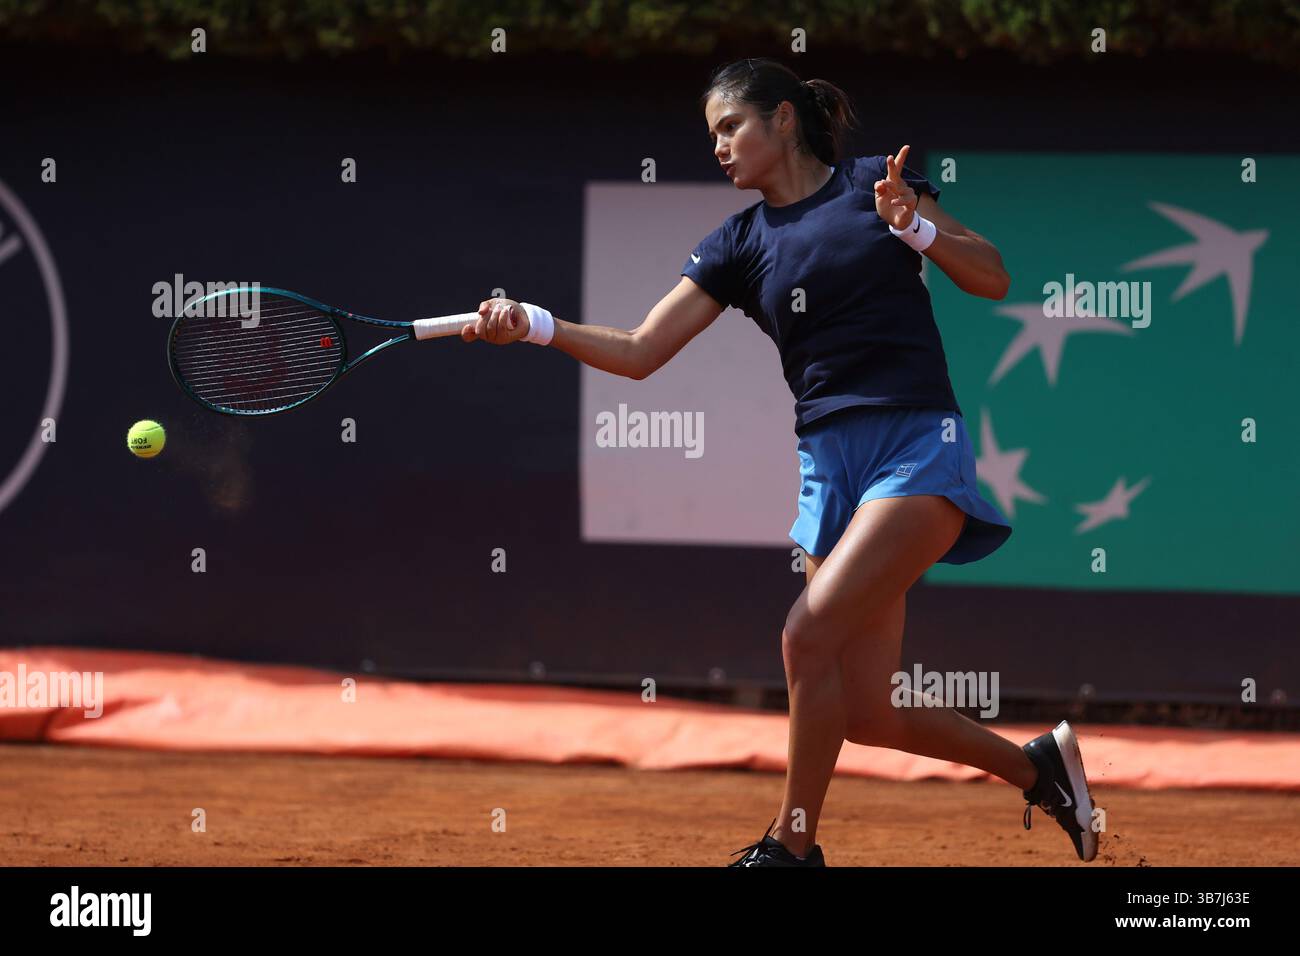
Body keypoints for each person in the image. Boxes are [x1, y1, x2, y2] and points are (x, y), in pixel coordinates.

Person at [461, 57, 1097, 866]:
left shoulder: (877, 184)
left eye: (731, 127)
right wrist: (537, 325)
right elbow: (640, 351)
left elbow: (993, 276)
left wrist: (915, 226)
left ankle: (791, 848)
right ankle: (1035, 766)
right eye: (712, 136)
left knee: (805, 637)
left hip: (916, 447)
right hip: (830, 470)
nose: (720, 148)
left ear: (784, 119)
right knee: (866, 711)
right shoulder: (734, 244)